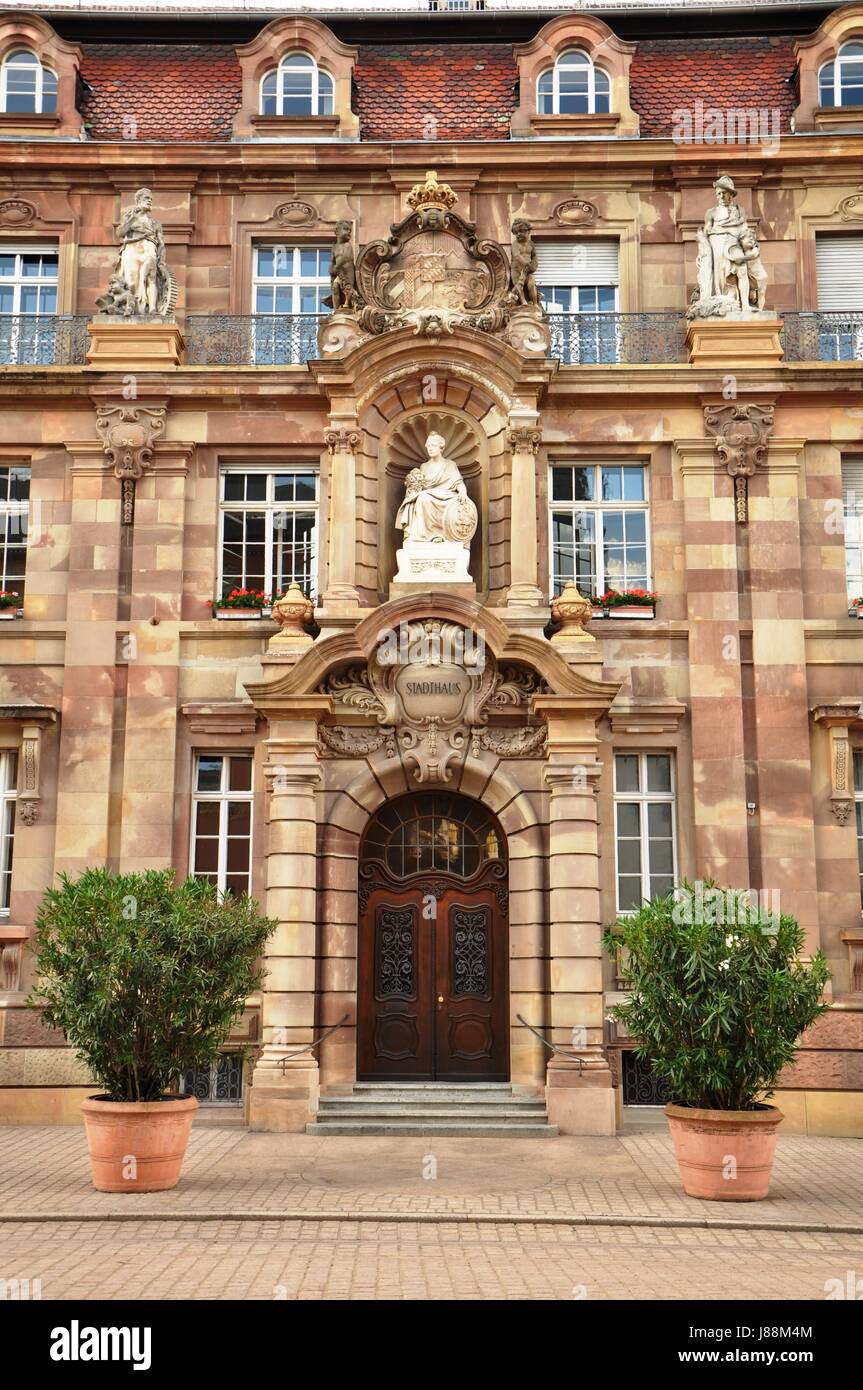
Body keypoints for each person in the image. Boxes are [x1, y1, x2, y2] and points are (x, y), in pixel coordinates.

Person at [396, 432, 470, 543]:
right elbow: (420, 487)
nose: (430, 448)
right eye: (429, 446)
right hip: (428, 495)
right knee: (421, 499)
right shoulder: (424, 467)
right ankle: (425, 535)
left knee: (425, 497)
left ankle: (442, 535)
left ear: (441, 447)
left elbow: (458, 483)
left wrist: (463, 492)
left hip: (447, 496)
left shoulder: (449, 464)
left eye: (433, 445)